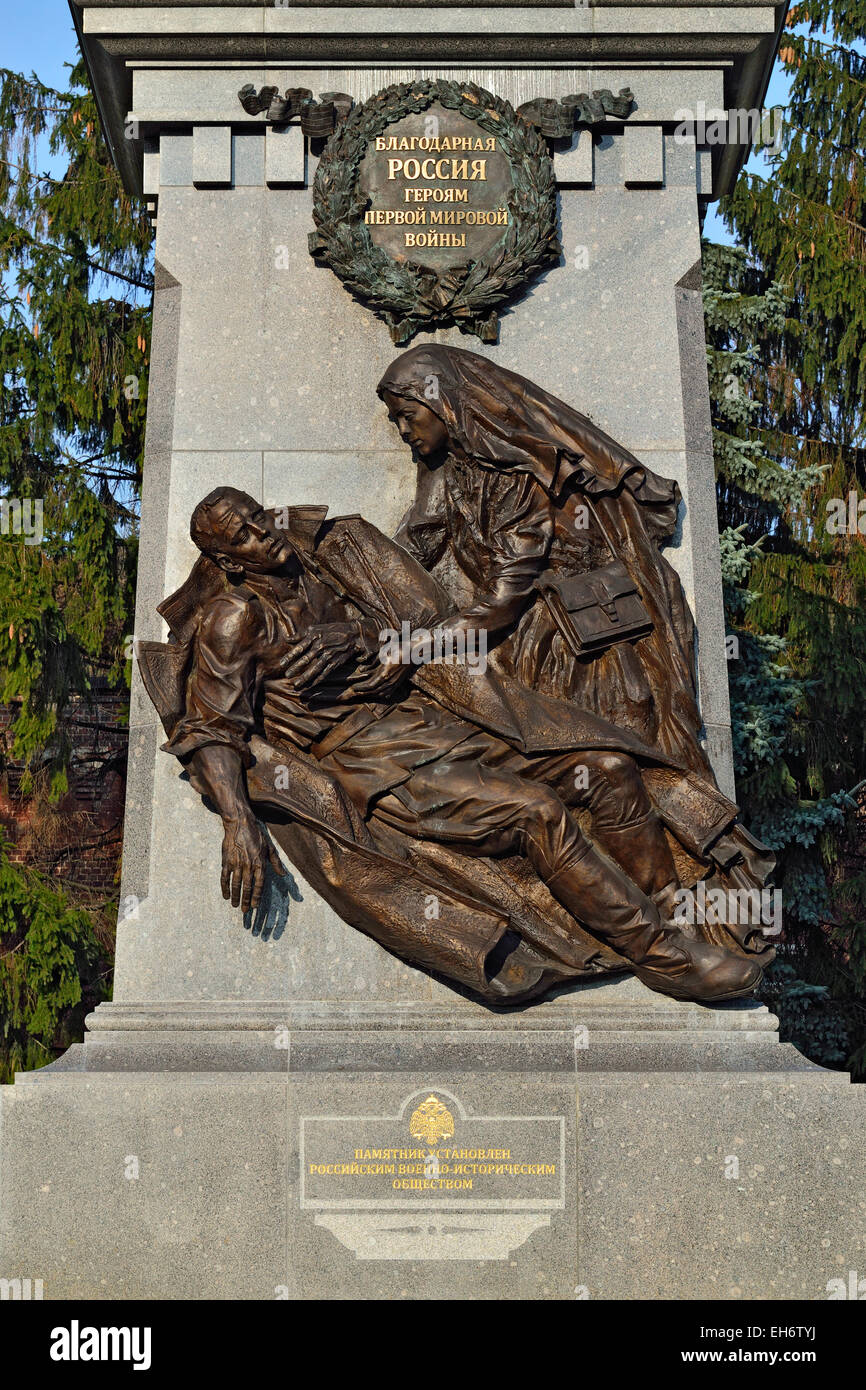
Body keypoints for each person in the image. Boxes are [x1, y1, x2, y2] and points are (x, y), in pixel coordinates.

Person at [138, 486, 764, 1005]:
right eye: (243, 535)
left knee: (608, 767)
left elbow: (418, 619)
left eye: (257, 515)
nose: (263, 532)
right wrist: (238, 824)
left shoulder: (331, 561)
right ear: (231, 562)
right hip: (372, 761)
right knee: (536, 812)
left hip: (429, 719)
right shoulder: (234, 618)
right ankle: (662, 958)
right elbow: (214, 729)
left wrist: (358, 639)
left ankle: (675, 919)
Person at [379, 344, 775, 951]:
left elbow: (505, 598)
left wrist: (417, 643)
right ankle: (626, 911)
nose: (404, 431)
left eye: (410, 416)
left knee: (624, 764)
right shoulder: (447, 466)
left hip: (576, 649)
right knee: (580, 774)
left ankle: (689, 908)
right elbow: (418, 540)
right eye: (397, 420)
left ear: (445, 406)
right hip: (523, 644)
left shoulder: (518, 472)